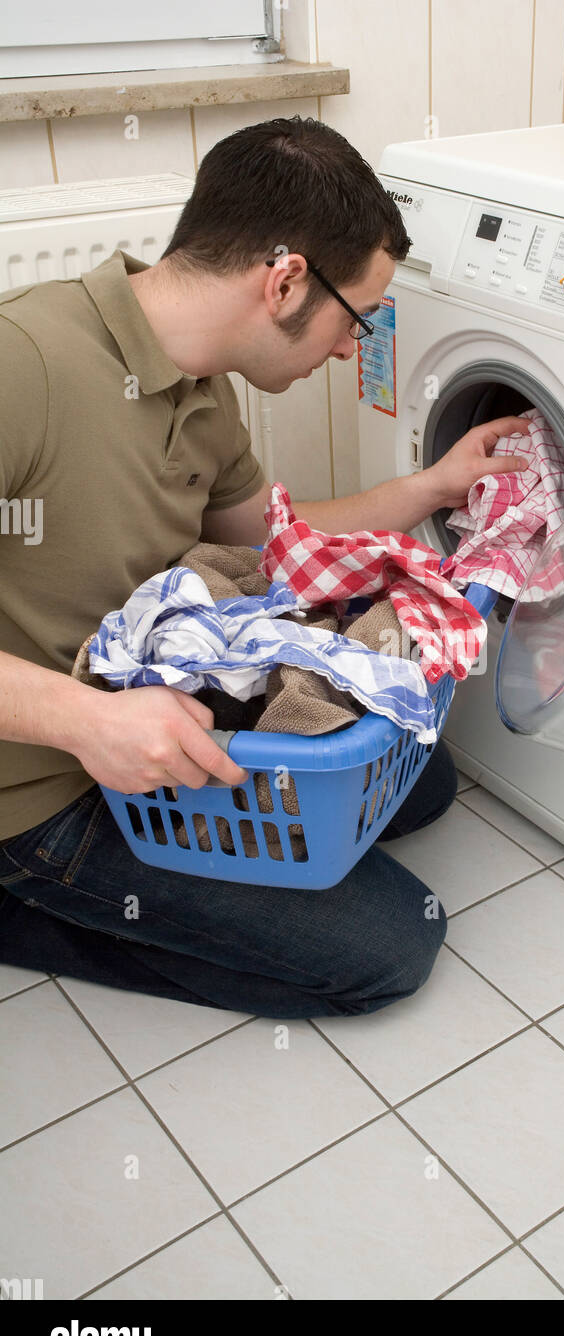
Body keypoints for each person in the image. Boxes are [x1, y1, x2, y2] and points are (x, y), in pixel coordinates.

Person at [0, 116, 531, 1018]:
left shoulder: (201, 386)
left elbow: (278, 540)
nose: (347, 349)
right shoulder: (27, 363)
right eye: (353, 318)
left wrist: (433, 484)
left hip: (171, 715)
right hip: (41, 784)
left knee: (421, 786)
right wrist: (86, 719)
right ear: (285, 281)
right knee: (390, 949)